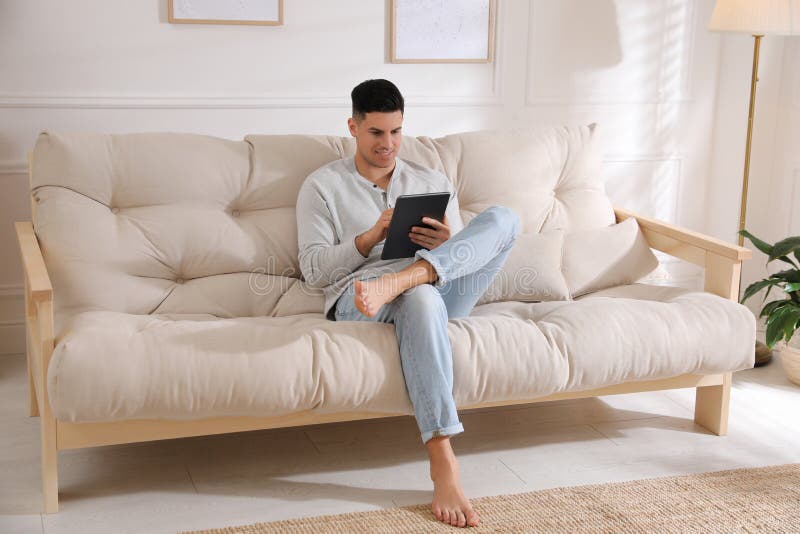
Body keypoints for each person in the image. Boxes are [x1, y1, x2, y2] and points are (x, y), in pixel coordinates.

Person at [295, 79, 520, 529]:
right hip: (363, 293)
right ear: (353, 127)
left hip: (431, 282)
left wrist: (448, 242)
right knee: (419, 297)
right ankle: (442, 458)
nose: (388, 144)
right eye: (376, 132)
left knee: (505, 218)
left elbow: (467, 254)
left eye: (396, 131)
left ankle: (408, 278)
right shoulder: (322, 186)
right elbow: (315, 271)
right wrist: (369, 237)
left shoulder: (431, 180)